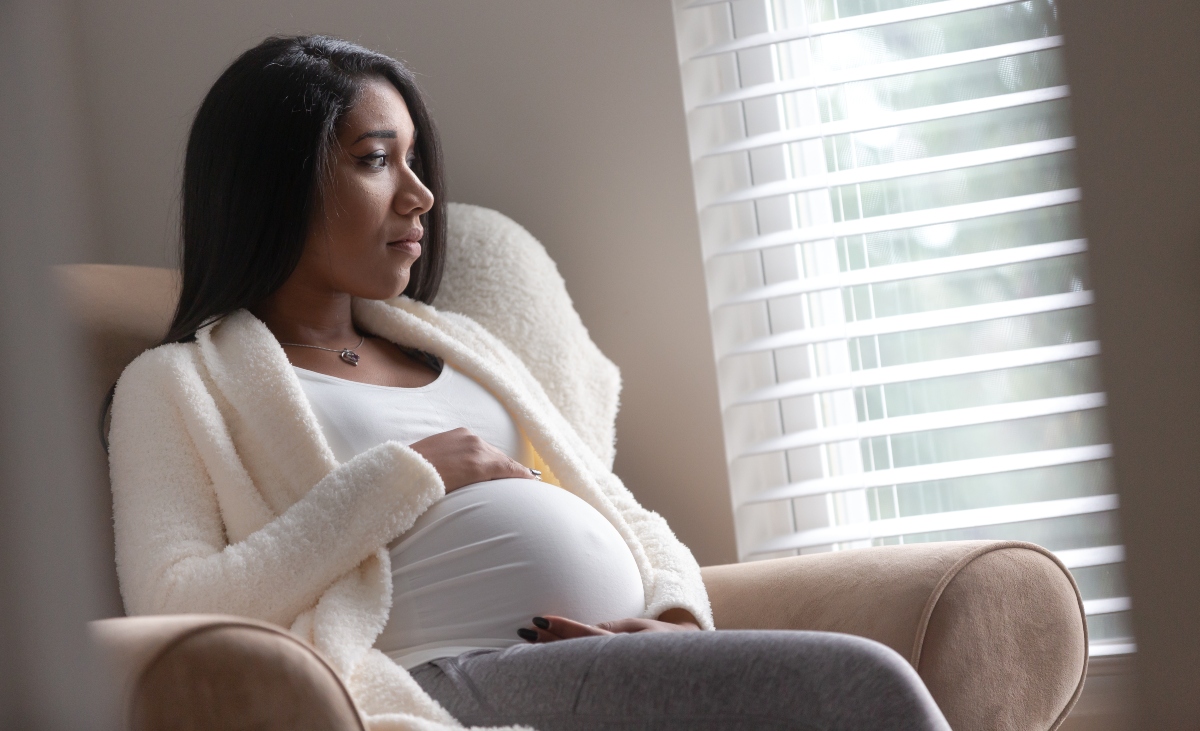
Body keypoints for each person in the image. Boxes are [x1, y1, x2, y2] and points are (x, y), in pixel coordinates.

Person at [106, 34, 951, 731]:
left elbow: (624, 510)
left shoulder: (463, 346)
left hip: (590, 662)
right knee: (862, 685)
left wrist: (673, 620)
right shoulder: (177, 385)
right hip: (438, 677)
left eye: (414, 161)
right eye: (377, 160)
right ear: (274, 182)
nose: (420, 195)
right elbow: (177, 606)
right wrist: (414, 472)